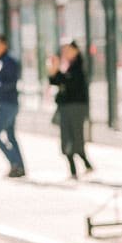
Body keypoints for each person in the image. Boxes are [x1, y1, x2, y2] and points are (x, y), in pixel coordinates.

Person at [49, 41, 94, 177]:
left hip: (75, 107)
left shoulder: (79, 66)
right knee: (68, 137)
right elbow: (56, 81)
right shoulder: (69, 65)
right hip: (67, 107)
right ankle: (78, 168)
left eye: (68, 50)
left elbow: (69, 83)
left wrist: (57, 71)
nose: (66, 53)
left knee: (75, 137)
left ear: (75, 50)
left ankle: (79, 167)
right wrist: (54, 70)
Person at [0, 32, 25, 177]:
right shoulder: (0, 61)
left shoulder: (9, 61)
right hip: (6, 103)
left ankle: (15, 163)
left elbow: (11, 82)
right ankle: (19, 167)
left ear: (4, 44)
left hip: (8, 104)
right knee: (10, 136)